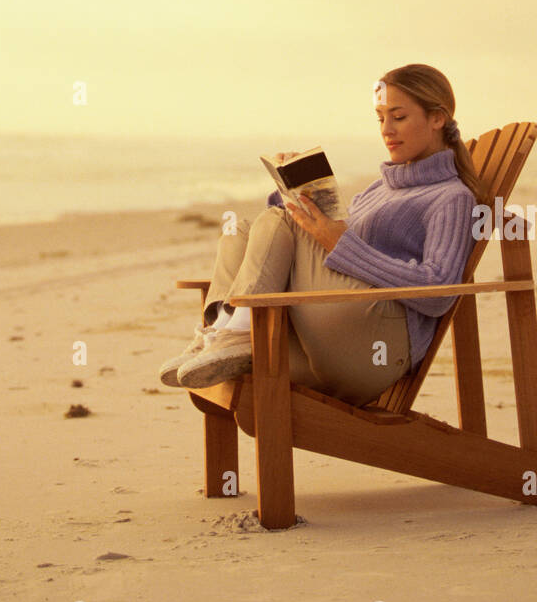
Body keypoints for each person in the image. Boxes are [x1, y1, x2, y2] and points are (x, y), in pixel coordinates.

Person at [159, 64, 490, 407]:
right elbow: (327, 239)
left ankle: (239, 333)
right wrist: (293, 193)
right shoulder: (380, 189)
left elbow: (439, 291)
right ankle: (222, 329)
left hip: (375, 349)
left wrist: (340, 243)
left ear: (437, 118)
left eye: (399, 117)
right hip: (324, 343)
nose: (386, 130)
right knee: (242, 229)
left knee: (280, 222)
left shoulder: (451, 197)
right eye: (380, 118)